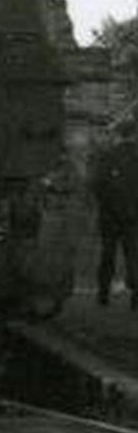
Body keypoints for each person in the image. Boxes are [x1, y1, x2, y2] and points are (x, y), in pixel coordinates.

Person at [89, 119, 138, 308]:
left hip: (109, 216)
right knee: (134, 255)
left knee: (107, 255)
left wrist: (106, 205)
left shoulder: (107, 156)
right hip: (134, 215)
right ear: (135, 133)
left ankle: (103, 295)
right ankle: (136, 298)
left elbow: (97, 184)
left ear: (118, 134)